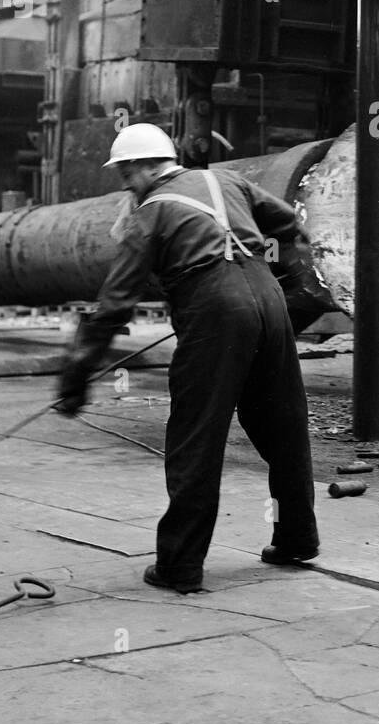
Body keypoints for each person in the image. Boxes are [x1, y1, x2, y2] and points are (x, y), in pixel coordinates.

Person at [53, 124, 319, 593]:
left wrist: (77, 374)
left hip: (215, 307)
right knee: (283, 426)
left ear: (141, 167)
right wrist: (285, 282)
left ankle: (179, 565)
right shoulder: (227, 181)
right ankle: (297, 539)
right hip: (268, 298)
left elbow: (115, 302)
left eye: (124, 175)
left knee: (195, 436)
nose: (123, 186)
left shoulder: (150, 213)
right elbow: (288, 224)